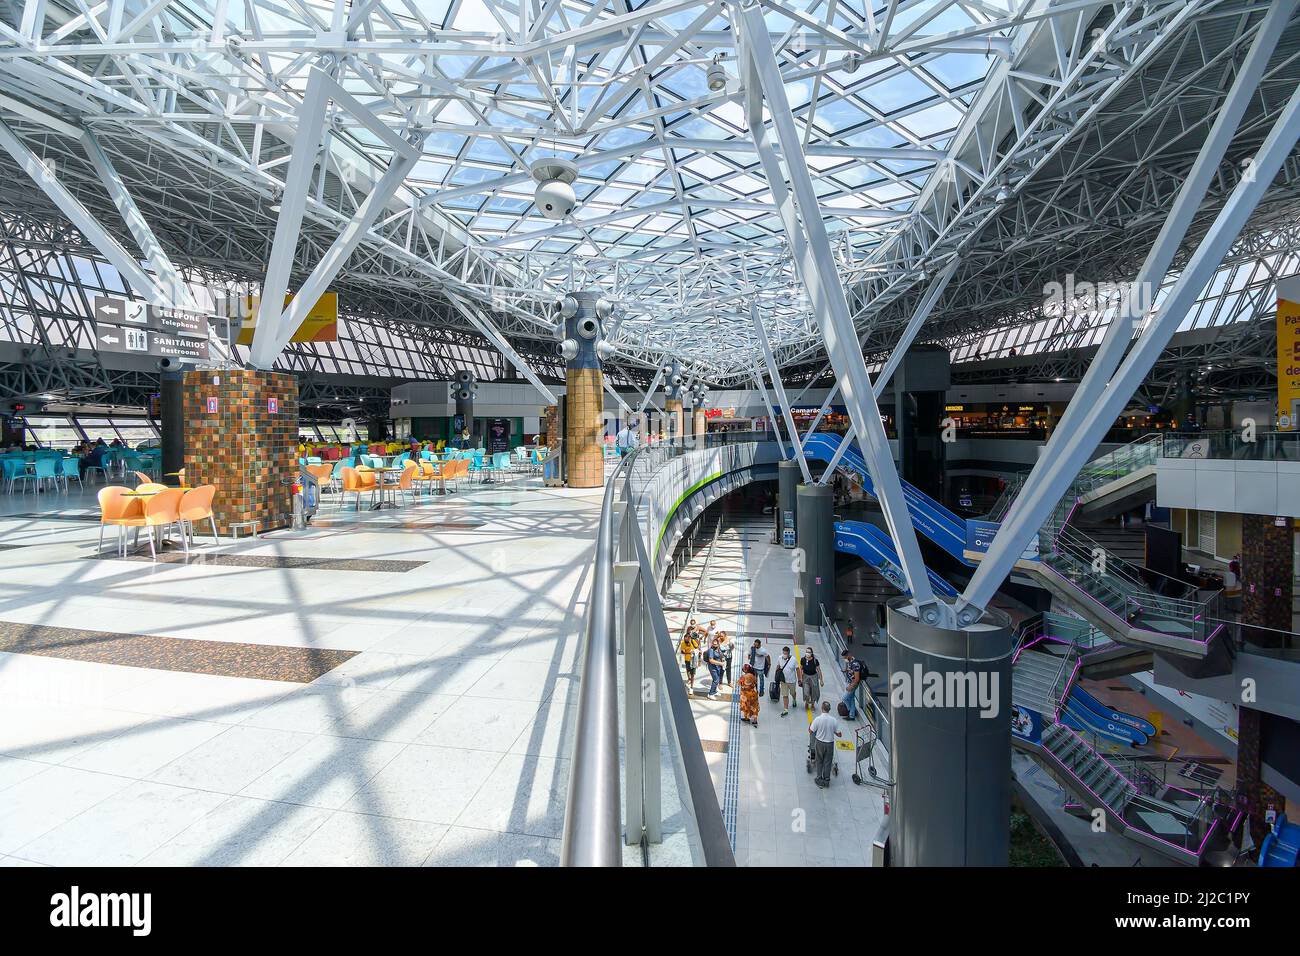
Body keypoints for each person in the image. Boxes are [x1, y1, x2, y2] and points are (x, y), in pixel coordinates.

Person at [809, 701, 842, 787]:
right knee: (828, 762)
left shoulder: (818, 719)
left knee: (819, 761)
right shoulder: (833, 720)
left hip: (819, 743)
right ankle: (826, 780)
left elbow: (811, 731)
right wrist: (835, 732)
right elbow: (839, 734)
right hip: (829, 744)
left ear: (822, 708)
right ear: (829, 709)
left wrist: (810, 727)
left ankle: (819, 778)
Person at [841, 649, 864, 720]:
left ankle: (850, 710)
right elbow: (850, 669)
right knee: (851, 699)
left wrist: (851, 686)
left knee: (844, 698)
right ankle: (852, 715)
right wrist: (846, 670)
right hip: (849, 682)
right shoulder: (850, 661)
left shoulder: (855, 664)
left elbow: (857, 679)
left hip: (853, 684)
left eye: (845, 657)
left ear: (849, 655)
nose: (844, 659)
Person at [778, 647, 799, 717]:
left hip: (792, 681)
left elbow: (797, 669)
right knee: (785, 695)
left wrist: (799, 679)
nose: (784, 654)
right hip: (783, 681)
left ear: (789, 653)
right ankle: (785, 709)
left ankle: (794, 699)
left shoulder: (793, 659)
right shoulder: (780, 658)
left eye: (786, 653)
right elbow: (778, 666)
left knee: (792, 693)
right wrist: (777, 676)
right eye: (783, 653)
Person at [679, 627, 700, 692]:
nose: (686, 641)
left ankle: (691, 687)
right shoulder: (683, 643)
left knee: (692, 674)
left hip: (693, 660)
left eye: (688, 639)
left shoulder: (693, 641)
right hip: (687, 659)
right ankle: (689, 679)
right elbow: (682, 651)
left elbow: (697, 647)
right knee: (688, 671)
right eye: (685, 639)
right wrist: (689, 652)